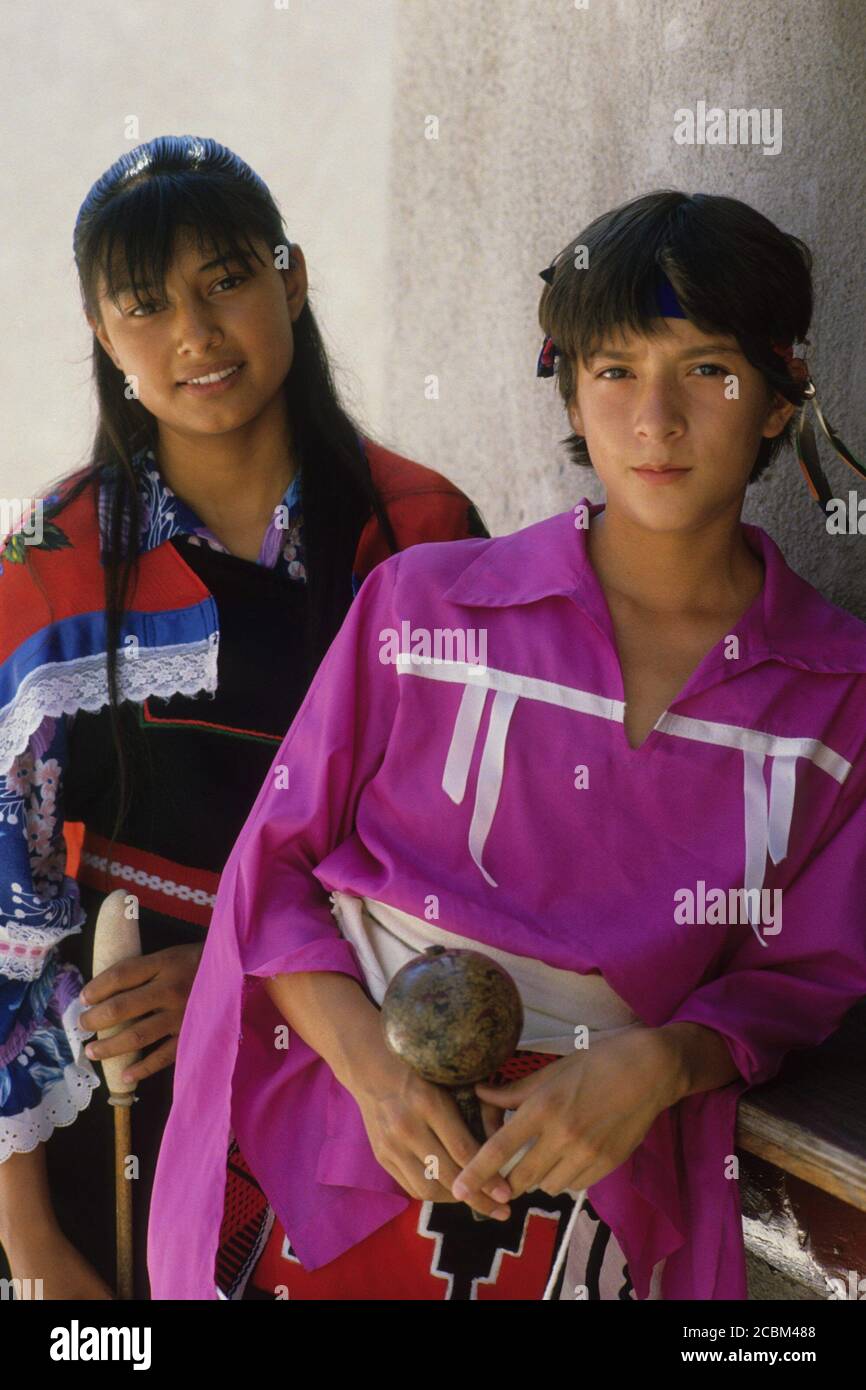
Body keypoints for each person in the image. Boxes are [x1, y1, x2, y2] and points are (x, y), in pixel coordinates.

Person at [148, 189, 866, 1301]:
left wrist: (659, 1062)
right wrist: (368, 1066)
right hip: (346, 1155)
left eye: (707, 369)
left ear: (780, 397)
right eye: (615, 369)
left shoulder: (837, 698)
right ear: (571, 385)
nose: (654, 419)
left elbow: (800, 975)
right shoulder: (423, 608)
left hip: (594, 1191)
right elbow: (274, 872)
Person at [0, 134, 488, 1299]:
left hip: (351, 1078)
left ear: (293, 279)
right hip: (101, 1102)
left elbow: (467, 865)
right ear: (106, 341)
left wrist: (236, 978)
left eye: (226, 280)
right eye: (145, 305)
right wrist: (30, 1249)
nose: (195, 334)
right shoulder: (50, 562)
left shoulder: (421, 534)